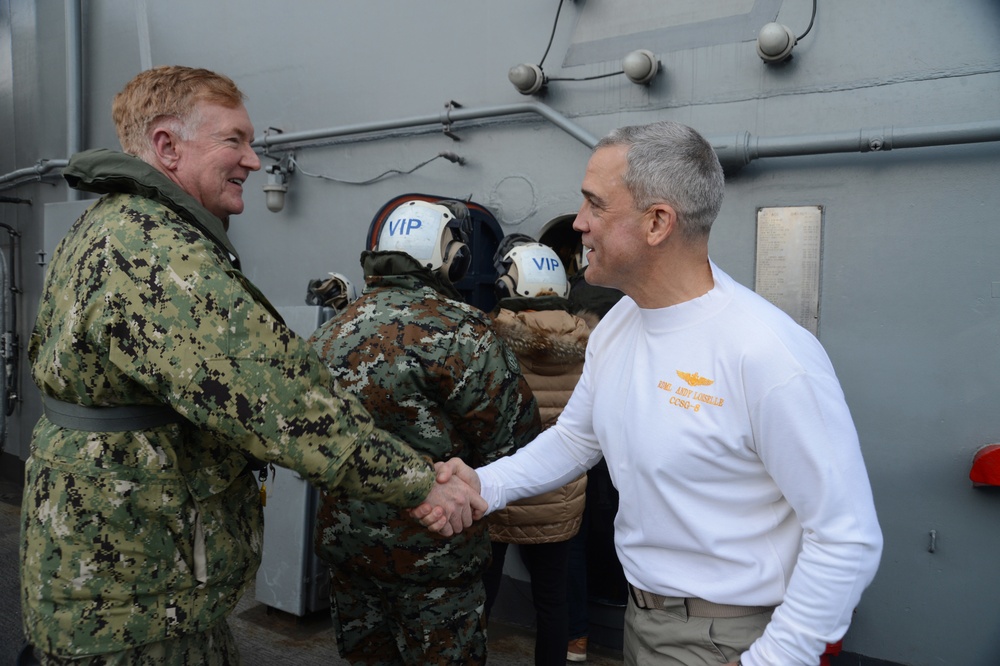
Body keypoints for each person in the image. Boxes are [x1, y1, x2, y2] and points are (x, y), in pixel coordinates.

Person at [20, 66, 482, 665]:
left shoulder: (109, 225)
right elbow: (284, 406)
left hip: (113, 572)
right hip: (135, 596)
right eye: (234, 140)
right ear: (167, 146)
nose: (255, 160)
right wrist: (421, 483)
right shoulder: (154, 252)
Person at [417, 120, 884, 666]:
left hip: (731, 640)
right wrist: (483, 485)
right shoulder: (618, 327)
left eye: (594, 204)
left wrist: (774, 659)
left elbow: (846, 537)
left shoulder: (768, 353)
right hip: (645, 624)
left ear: (657, 221)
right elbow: (574, 441)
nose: (580, 224)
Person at [309, 198, 540, 665]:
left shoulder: (327, 334)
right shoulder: (464, 333)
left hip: (350, 553)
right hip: (437, 560)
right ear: (450, 259)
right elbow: (516, 441)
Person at [482, 235, 589, 666]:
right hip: (560, 496)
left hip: (500, 490)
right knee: (553, 602)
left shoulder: (492, 338)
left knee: (480, 596)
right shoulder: (592, 341)